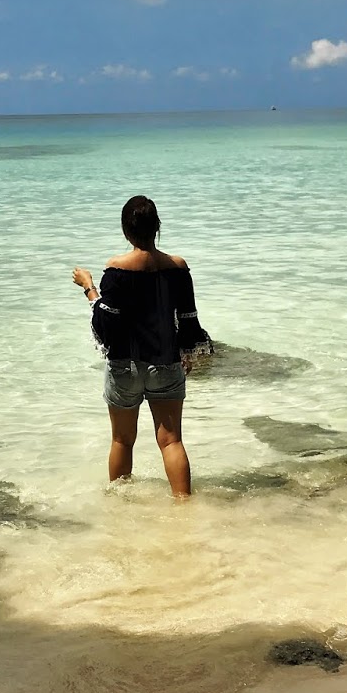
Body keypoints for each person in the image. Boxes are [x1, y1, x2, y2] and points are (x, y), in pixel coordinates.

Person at [72, 195, 212, 497]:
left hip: (125, 365)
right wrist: (186, 355)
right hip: (166, 363)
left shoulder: (117, 270)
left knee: (122, 440)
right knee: (171, 441)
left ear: (126, 231)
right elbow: (189, 321)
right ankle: (184, 507)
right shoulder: (178, 268)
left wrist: (88, 287)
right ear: (157, 226)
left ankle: (120, 508)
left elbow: (105, 323)